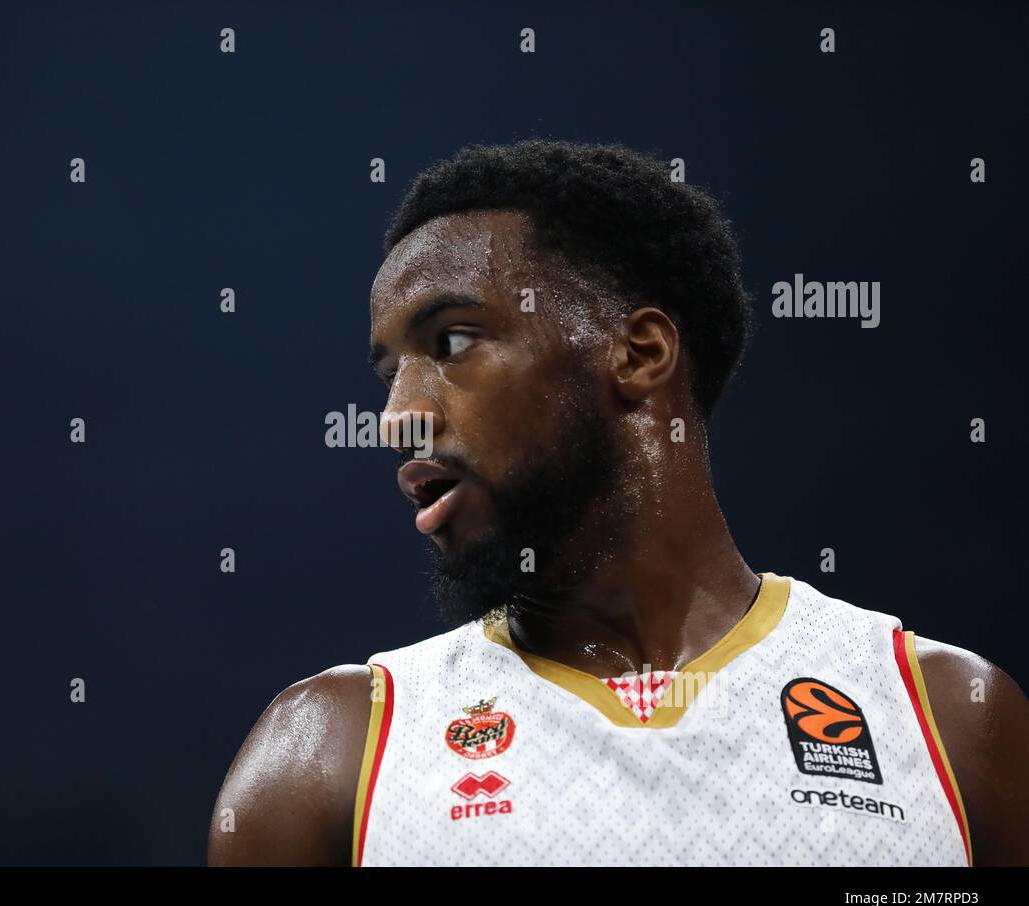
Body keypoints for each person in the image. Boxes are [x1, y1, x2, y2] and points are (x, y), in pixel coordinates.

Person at [208, 140, 1029, 866]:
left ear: (638, 353)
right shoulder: (328, 756)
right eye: (390, 376)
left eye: (451, 342)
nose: (396, 420)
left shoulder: (950, 719)